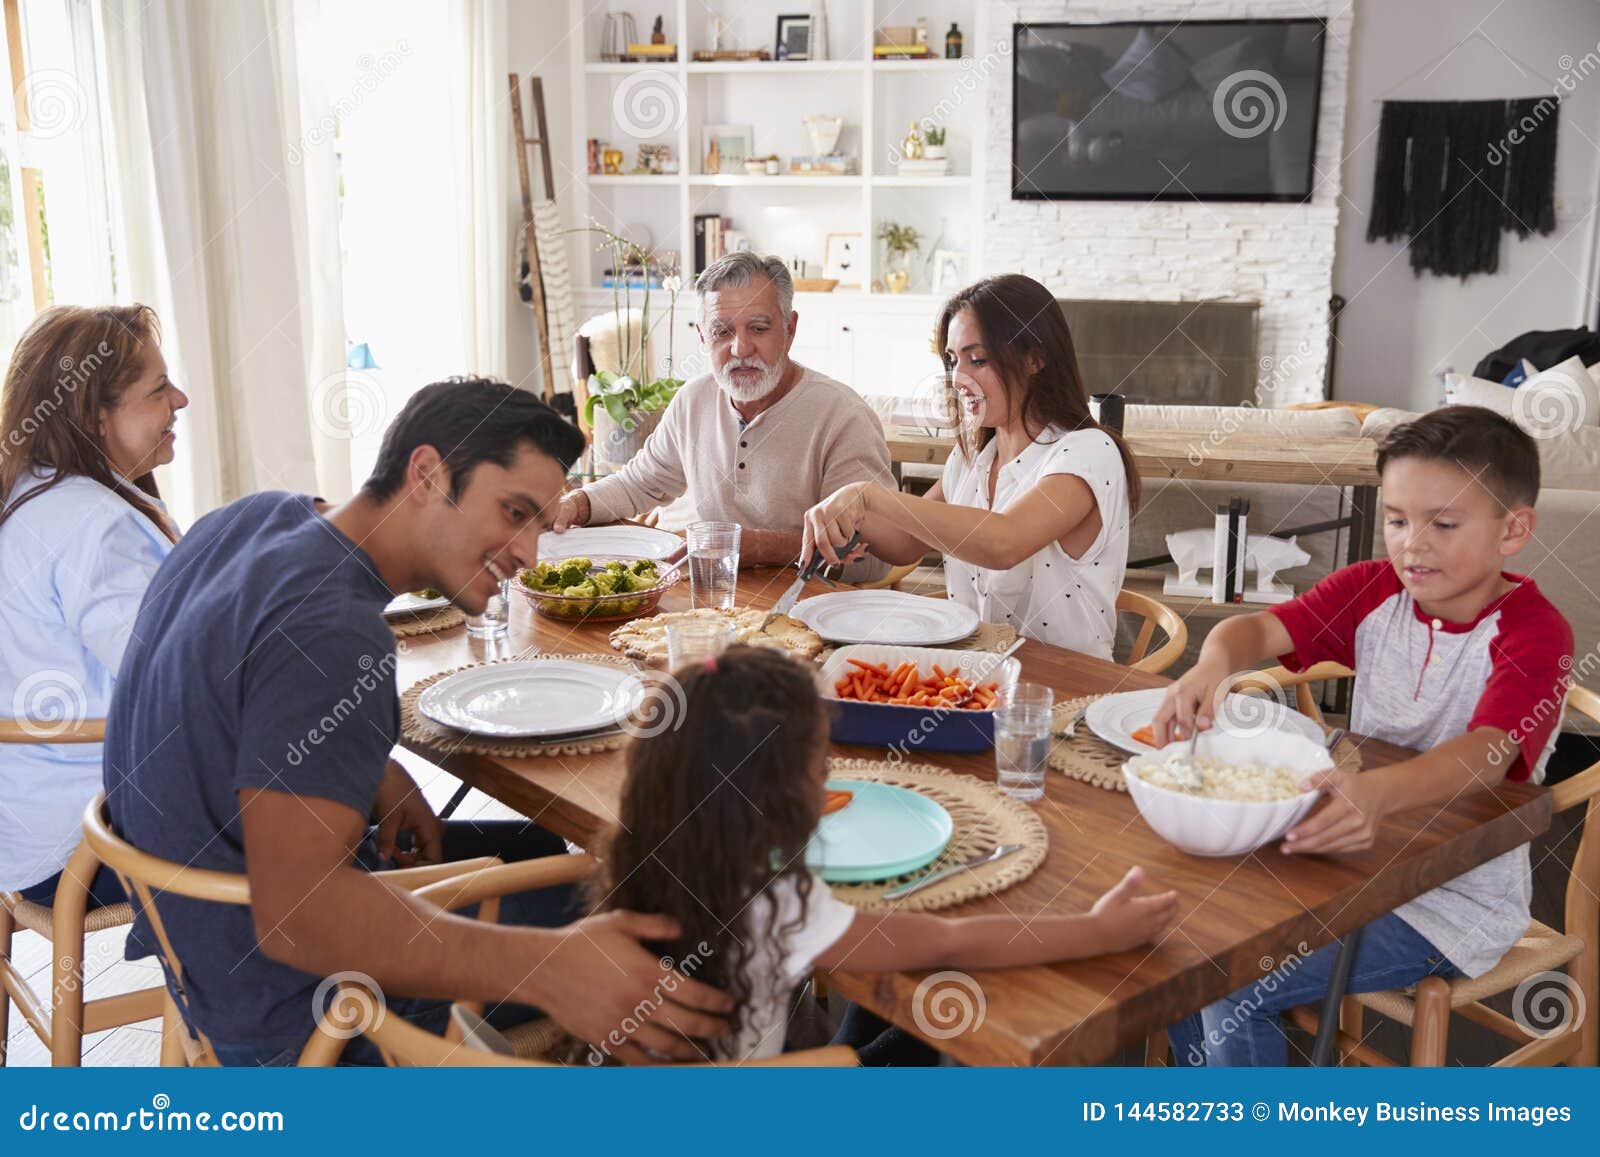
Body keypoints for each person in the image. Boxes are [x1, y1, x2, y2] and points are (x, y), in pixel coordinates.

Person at [104, 378, 734, 1066]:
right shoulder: (334, 631)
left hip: (201, 952)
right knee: (662, 928)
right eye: (514, 512)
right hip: (303, 1021)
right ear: (428, 473)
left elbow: (240, 694)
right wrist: (551, 967)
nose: (529, 553)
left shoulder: (250, 520)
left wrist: (372, 764)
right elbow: (299, 918)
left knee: (546, 855)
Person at [1157, 406, 1573, 1066]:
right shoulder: (1372, 591)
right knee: (1180, 937)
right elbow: (1253, 631)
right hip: (1344, 866)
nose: (1413, 545)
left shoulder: (1536, 632)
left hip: (1450, 902)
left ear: (1513, 529)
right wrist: (1211, 666)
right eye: (1397, 520)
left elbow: (1489, 753)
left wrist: (1378, 793)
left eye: (1443, 524)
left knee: (1226, 972)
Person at [589, 644, 1180, 1062]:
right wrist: (1098, 931)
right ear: (781, 799)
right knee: (951, 1047)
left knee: (899, 1024)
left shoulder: (642, 859)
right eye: (819, 769)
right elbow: (951, 942)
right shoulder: (776, 904)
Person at [802, 274, 1139, 659]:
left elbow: (1005, 542)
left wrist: (869, 496)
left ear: (1035, 358)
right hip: (974, 673)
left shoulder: (1088, 453)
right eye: (952, 360)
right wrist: (843, 518)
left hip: (1065, 680)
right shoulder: (971, 458)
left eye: (977, 359)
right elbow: (906, 542)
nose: (958, 379)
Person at [553, 251, 893, 581]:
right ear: (703, 336)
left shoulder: (844, 416)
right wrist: (575, 505)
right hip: (715, 598)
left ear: (789, 329)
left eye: (758, 328)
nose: (740, 349)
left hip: (813, 604)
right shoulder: (693, 400)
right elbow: (638, 485)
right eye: (722, 332)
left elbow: (875, 558)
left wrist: (763, 548)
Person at [0, 304, 185, 907]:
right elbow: (173, 685)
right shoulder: (92, 524)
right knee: (321, 794)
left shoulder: (29, 493)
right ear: (93, 416)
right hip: (86, 842)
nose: (179, 400)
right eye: (158, 390)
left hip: (27, 830)